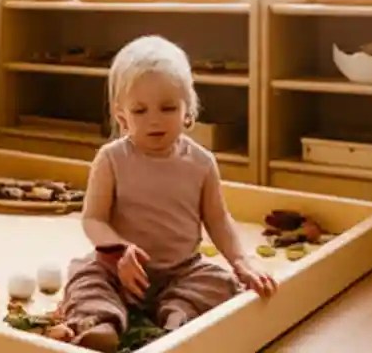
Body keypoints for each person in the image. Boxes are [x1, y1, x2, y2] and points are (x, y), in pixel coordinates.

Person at [49, 35, 278, 352]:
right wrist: (117, 251)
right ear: (121, 116)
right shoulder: (111, 159)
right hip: (118, 272)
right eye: (140, 110)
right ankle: (100, 323)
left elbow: (218, 218)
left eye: (167, 107)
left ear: (188, 110)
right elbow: (93, 220)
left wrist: (242, 261)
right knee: (84, 277)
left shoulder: (201, 162)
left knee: (221, 281)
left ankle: (176, 319)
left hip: (181, 272)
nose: (154, 119)